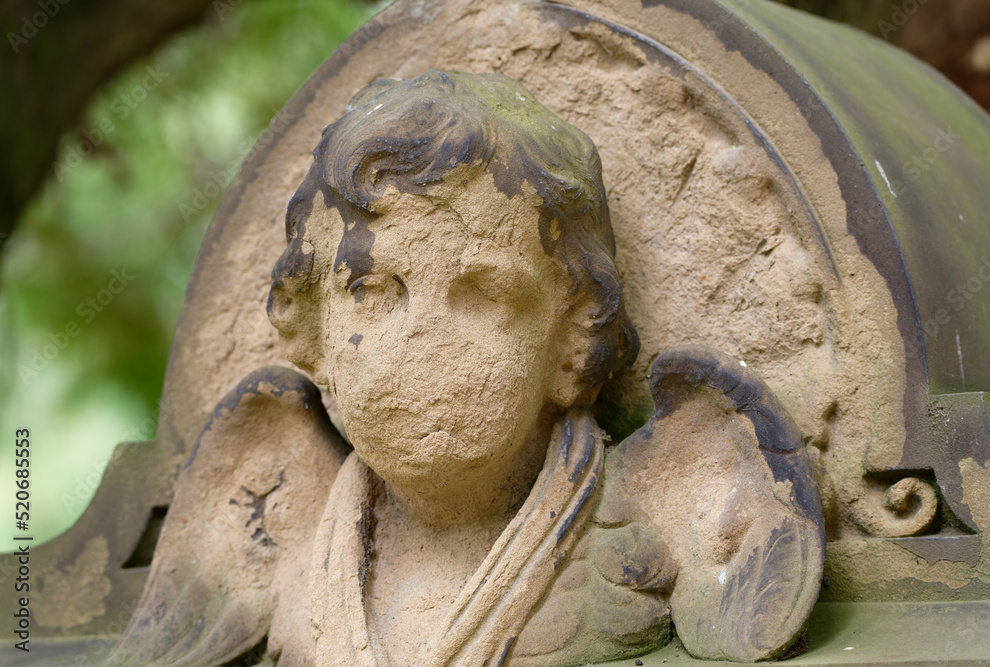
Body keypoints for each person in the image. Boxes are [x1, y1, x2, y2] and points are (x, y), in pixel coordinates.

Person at [106, 70, 823, 667]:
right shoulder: (295, 546)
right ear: (315, 331)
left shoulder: (649, 516)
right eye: (371, 290)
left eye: (483, 292)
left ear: (573, 336)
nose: (423, 339)